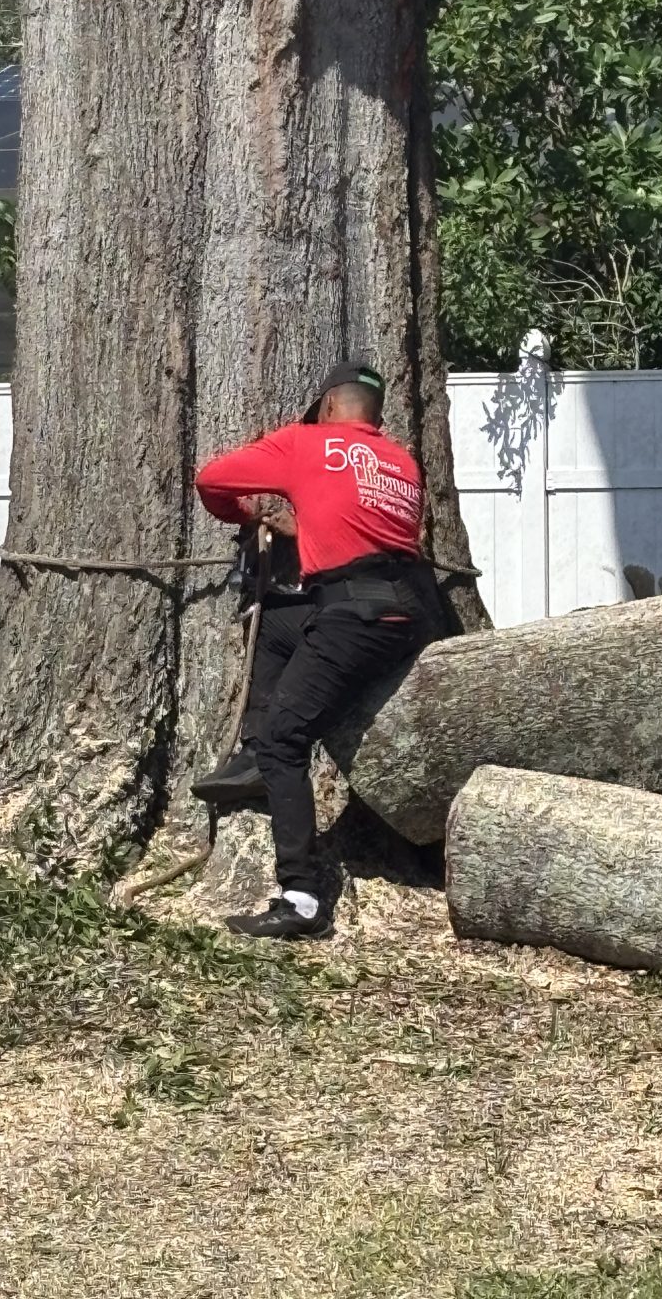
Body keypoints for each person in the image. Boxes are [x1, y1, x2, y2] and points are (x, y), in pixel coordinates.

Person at [193, 364, 446, 940]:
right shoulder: (403, 462)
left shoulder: (305, 442)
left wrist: (251, 512)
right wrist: (302, 524)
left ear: (329, 408)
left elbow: (212, 481)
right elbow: (358, 522)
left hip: (354, 615)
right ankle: (258, 755)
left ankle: (302, 897)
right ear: (375, 416)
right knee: (279, 624)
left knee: (288, 741)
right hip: (410, 610)